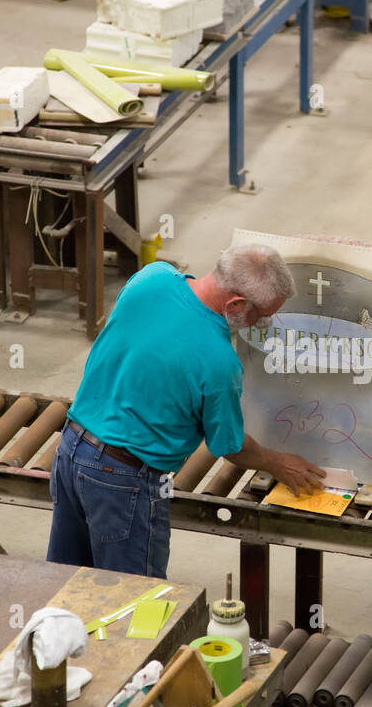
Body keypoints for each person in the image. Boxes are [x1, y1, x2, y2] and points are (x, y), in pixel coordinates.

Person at [46, 243, 325, 577]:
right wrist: (276, 462)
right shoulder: (219, 363)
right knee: (133, 602)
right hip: (122, 480)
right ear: (236, 303)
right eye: (261, 317)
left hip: (69, 451)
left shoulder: (152, 276)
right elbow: (230, 447)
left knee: (65, 582)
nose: (262, 325)